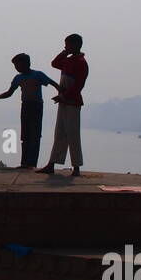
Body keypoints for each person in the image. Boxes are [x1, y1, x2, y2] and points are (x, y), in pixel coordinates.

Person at [0, 53, 59, 169]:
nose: (17, 68)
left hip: (36, 106)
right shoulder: (18, 78)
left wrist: (61, 95)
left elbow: (53, 83)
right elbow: (9, 93)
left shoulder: (37, 75)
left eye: (18, 65)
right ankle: (24, 163)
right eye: (15, 66)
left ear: (27, 63)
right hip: (25, 106)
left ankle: (32, 164)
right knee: (25, 136)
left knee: (35, 135)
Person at [37, 34, 88, 177]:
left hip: (72, 102)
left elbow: (78, 86)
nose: (65, 47)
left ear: (76, 45)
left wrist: (64, 96)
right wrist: (64, 52)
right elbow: (54, 63)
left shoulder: (81, 62)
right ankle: (52, 163)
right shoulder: (68, 60)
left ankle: (76, 167)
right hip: (63, 101)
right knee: (59, 133)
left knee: (73, 134)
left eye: (67, 45)